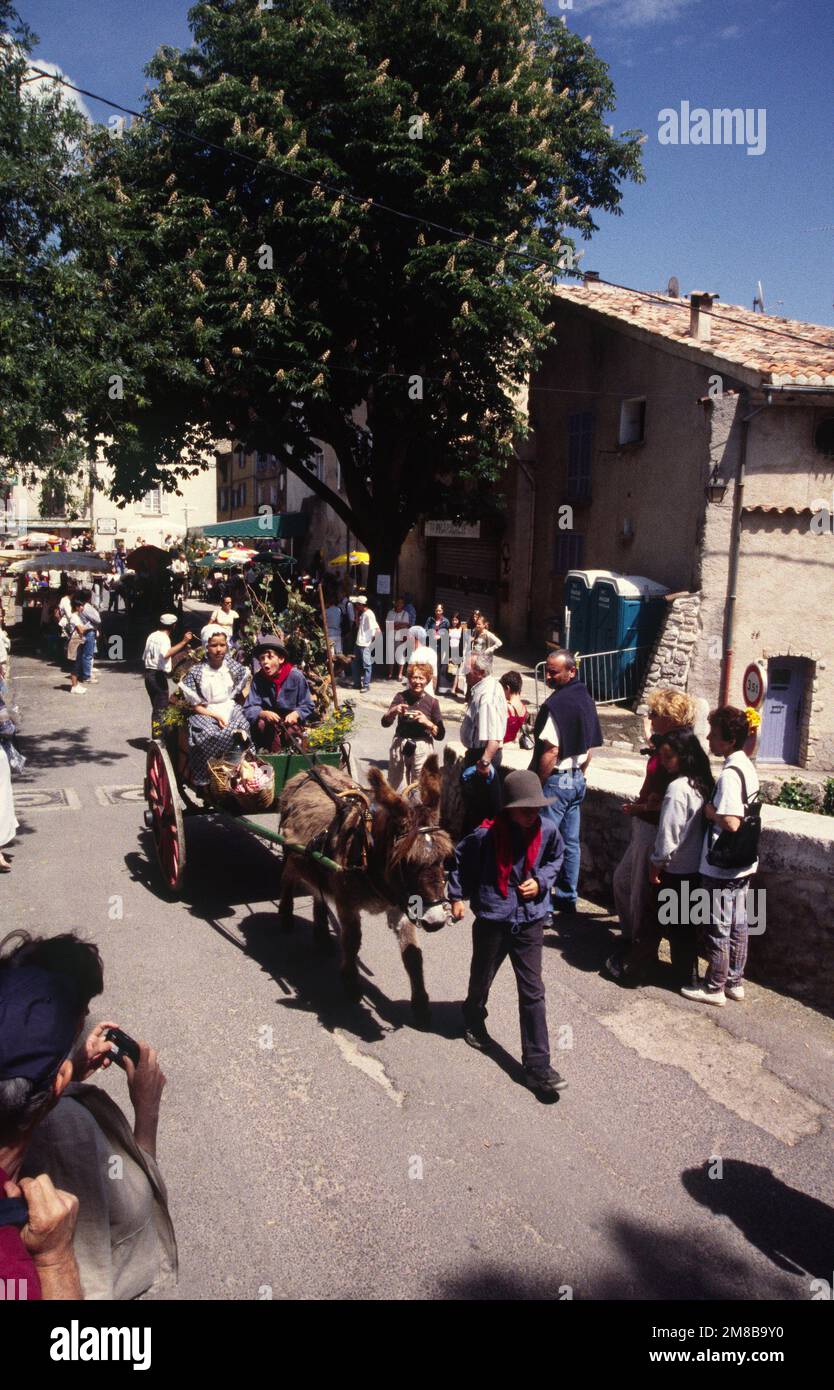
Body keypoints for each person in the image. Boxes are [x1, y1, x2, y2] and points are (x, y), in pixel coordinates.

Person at [0, 930, 176, 1301]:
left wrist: (68, 1072)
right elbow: (137, 1212)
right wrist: (53, 1259)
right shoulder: (72, 1128)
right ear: (59, 1077)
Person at [449, 770, 568, 1098]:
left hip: (529, 921)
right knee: (481, 978)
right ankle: (473, 1015)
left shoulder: (548, 831)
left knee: (533, 991)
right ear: (509, 808)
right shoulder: (485, 836)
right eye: (526, 808)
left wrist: (542, 881)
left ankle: (538, 1064)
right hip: (493, 918)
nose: (533, 814)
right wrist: (456, 896)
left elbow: (557, 859)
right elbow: (459, 862)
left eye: (538, 808)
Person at [609, 731, 712, 989]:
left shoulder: (677, 789)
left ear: (683, 756)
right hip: (693, 867)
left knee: (651, 925)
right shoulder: (701, 783)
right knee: (684, 928)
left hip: (673, 868)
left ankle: (633, 972)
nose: (664, 762)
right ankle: (685, 977)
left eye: (669, 757)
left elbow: (668, 834)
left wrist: (656, 865)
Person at [682, 706, 761, 1007]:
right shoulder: (746, 766)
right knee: (740, 923)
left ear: (728, 740)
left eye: (713, 735)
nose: (708, 738)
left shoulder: (729, 775)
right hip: (744, 862)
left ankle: (714, 986)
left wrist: (709, 811)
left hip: (722, 865)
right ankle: (734, 981)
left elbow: (732, 822)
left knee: (718, 927)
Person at [611, 689, 696, 954]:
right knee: (624, 882)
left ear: (669, 718)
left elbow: (673, 796)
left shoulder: (677, 749)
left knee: (636, 891)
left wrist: (640, 806)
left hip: (652, 826)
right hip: (645, 822)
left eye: (655, 713)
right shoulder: (668, 743)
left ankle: (636, 947)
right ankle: (633, 939)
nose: (650, 717)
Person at [530, 648, 603, 919]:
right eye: (547, 670)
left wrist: (539, 785)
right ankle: (568, 898)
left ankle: (545, 907)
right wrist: (580, 773)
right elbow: (591, 744)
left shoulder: (557, 706)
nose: (548, 675)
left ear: (571, 671)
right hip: (576, 780)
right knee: (570, 842)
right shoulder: (585, 697)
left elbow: (550, 751)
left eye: (554, 672)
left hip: (557, 781)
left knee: (545, 842)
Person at [177, 630, 253, 786]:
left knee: (243, 727)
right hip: (206, 710)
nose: (219, 649)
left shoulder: (233, 667)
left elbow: (238, 695)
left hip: (229, 706)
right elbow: (195, 706)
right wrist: (216, 716)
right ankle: (211, 772)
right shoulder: (197, 672)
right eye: (213, 645)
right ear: (206, 646)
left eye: (222, 645)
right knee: (208, 734)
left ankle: (241, 766)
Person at [458, 651, 508, 832]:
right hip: (480, 755)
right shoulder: (489, 686)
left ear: (479, 671)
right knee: (475, 810)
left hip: (483, 757)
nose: (464, 673)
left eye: (467, 669)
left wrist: (483, 762)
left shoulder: (486, 697)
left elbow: (493, 739)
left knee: (479, 812)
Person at [381, 661, 445, 790]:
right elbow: (385, 723)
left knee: (420, 787)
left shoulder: (432, 702)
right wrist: (393, 711)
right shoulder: (400, 697)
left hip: (422, 746)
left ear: (427, 680)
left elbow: (440, 735)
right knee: (396, 785)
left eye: (421, 678)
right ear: (409, 679)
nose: (417, 681)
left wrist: (427, 722)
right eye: (414, 677)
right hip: (400, 744)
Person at [244, 637, 315, 751]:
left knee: (294, 735)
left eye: (270, 657)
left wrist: (296, 714)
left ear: (281, 659)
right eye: (262, 658)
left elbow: (307, 705)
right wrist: (262, 713)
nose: (265, 661)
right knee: (262, 725)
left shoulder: (296, 676)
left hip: (290, 722)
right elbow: (249, 707)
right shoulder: (259, 679)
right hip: (269, 726)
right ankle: (271, 759)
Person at [142, 614, 194, 735]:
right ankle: (157, 736)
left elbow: (146, 656)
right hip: (157, 676)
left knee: (157, 707)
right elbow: (166, 654)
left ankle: (157, 734)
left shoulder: (152, 635)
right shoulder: (164, 638)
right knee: (160, 709)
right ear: (173, 626)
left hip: (148, 674)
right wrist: (184, 642)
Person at [351, 595, 380, 694]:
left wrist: (370, 642)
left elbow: (374, 628)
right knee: (355, 663)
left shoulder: (368, 614)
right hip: (359, 642)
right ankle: (357, 683)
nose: (356, 607)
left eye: (357, 605)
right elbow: (358, 626)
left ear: (361, 605)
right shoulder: (363, 614)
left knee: (366, 665)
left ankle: (366, 685)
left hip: (365, 643)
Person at [402, 624, 437, 693]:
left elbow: (411, 679)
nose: (406, 639)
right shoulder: (431, 652)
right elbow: (434, 677)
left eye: (408, 637)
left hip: (415, 695)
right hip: (429, 694)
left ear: (414, 638)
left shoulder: (414, 655)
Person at [426, 604, 450, 691]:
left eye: (439, 611)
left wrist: (441, 636)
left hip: (440, 646)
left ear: (442, 611)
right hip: (431, 645)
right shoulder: (430, 619)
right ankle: (427, 685)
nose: (438, 612)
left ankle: (436, 687)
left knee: (437, 666)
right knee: (429, 665)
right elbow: (425, 630)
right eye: (436, 611)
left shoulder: (446, 621)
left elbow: (447, 634)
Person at [385, 597, 411, 679]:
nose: (399, 604)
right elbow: (388, 625)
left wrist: (395, 624)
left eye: (401, 603)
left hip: (401, 637)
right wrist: (399, 624)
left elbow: (406, 625)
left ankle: (400, 674)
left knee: (401, 655)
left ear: (403, 604)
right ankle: (390, 673)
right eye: (398, 602)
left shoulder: (405, 614)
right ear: (395, 603)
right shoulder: (390, 612)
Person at [500, 670, 528, 745]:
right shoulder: (524, 708)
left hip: (501, 745)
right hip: (512, 743)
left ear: (508, 688)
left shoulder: (506, 707)